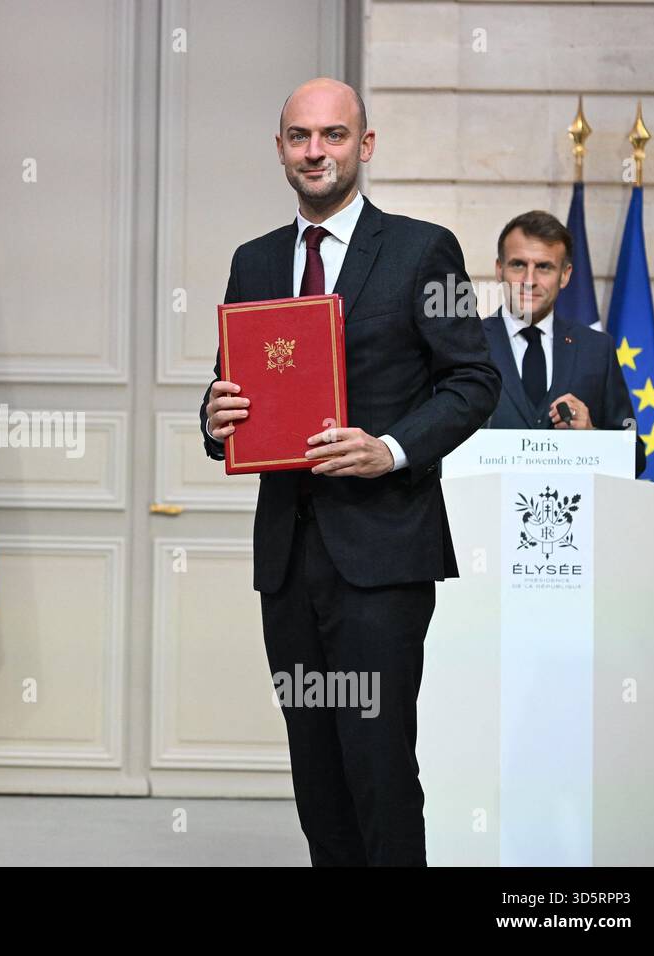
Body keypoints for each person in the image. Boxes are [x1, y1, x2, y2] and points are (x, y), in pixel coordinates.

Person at [200, 77, 500, 866]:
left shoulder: (419, 249)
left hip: (383, 559)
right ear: (279, 149)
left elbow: (473, 381)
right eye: (300, 137)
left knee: (379, 770)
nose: (316, 152)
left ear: (364, 146)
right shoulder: (254, 260)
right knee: (318, 776)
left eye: (333, 136)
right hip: (290, 563)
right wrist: (212, 416)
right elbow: (233, 390)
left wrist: (391, 447)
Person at [483, 210, 644, 475]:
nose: (529, 281)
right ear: (500, 269)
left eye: (544, 267)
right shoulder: (465, 344)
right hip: (483, 511)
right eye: (518, 265)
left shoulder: (597, 349)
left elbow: (635, 457)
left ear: (566, 275)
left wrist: (592, 433)